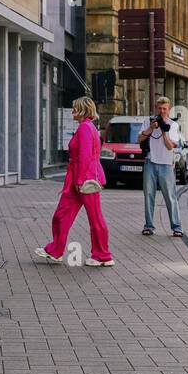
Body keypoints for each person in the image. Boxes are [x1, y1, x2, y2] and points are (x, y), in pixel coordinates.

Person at [34, 97, 114, 267]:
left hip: (85, 179)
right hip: (79, 179)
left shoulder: (85, 128)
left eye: (75, 109)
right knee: (61, 214)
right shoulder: (87, 127)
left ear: (82, 110)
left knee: (95, 218)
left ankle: (103, 256)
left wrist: (79, 180)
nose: (72, 112)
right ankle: (55, 251)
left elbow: (85, 156)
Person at [138, 96, 183, 238]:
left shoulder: (173, 125)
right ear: (156, 109)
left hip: (166, 164)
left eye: (165, 109)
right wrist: (151, 127)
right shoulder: (148, 121)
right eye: (160, 108)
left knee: (170, 197)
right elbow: (139, 139)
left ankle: (177, 227)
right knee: (149, 195)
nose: (162, 111)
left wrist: (164, 131)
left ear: (168, 109)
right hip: (150, 162)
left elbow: (170, 147)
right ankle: (149, 226)